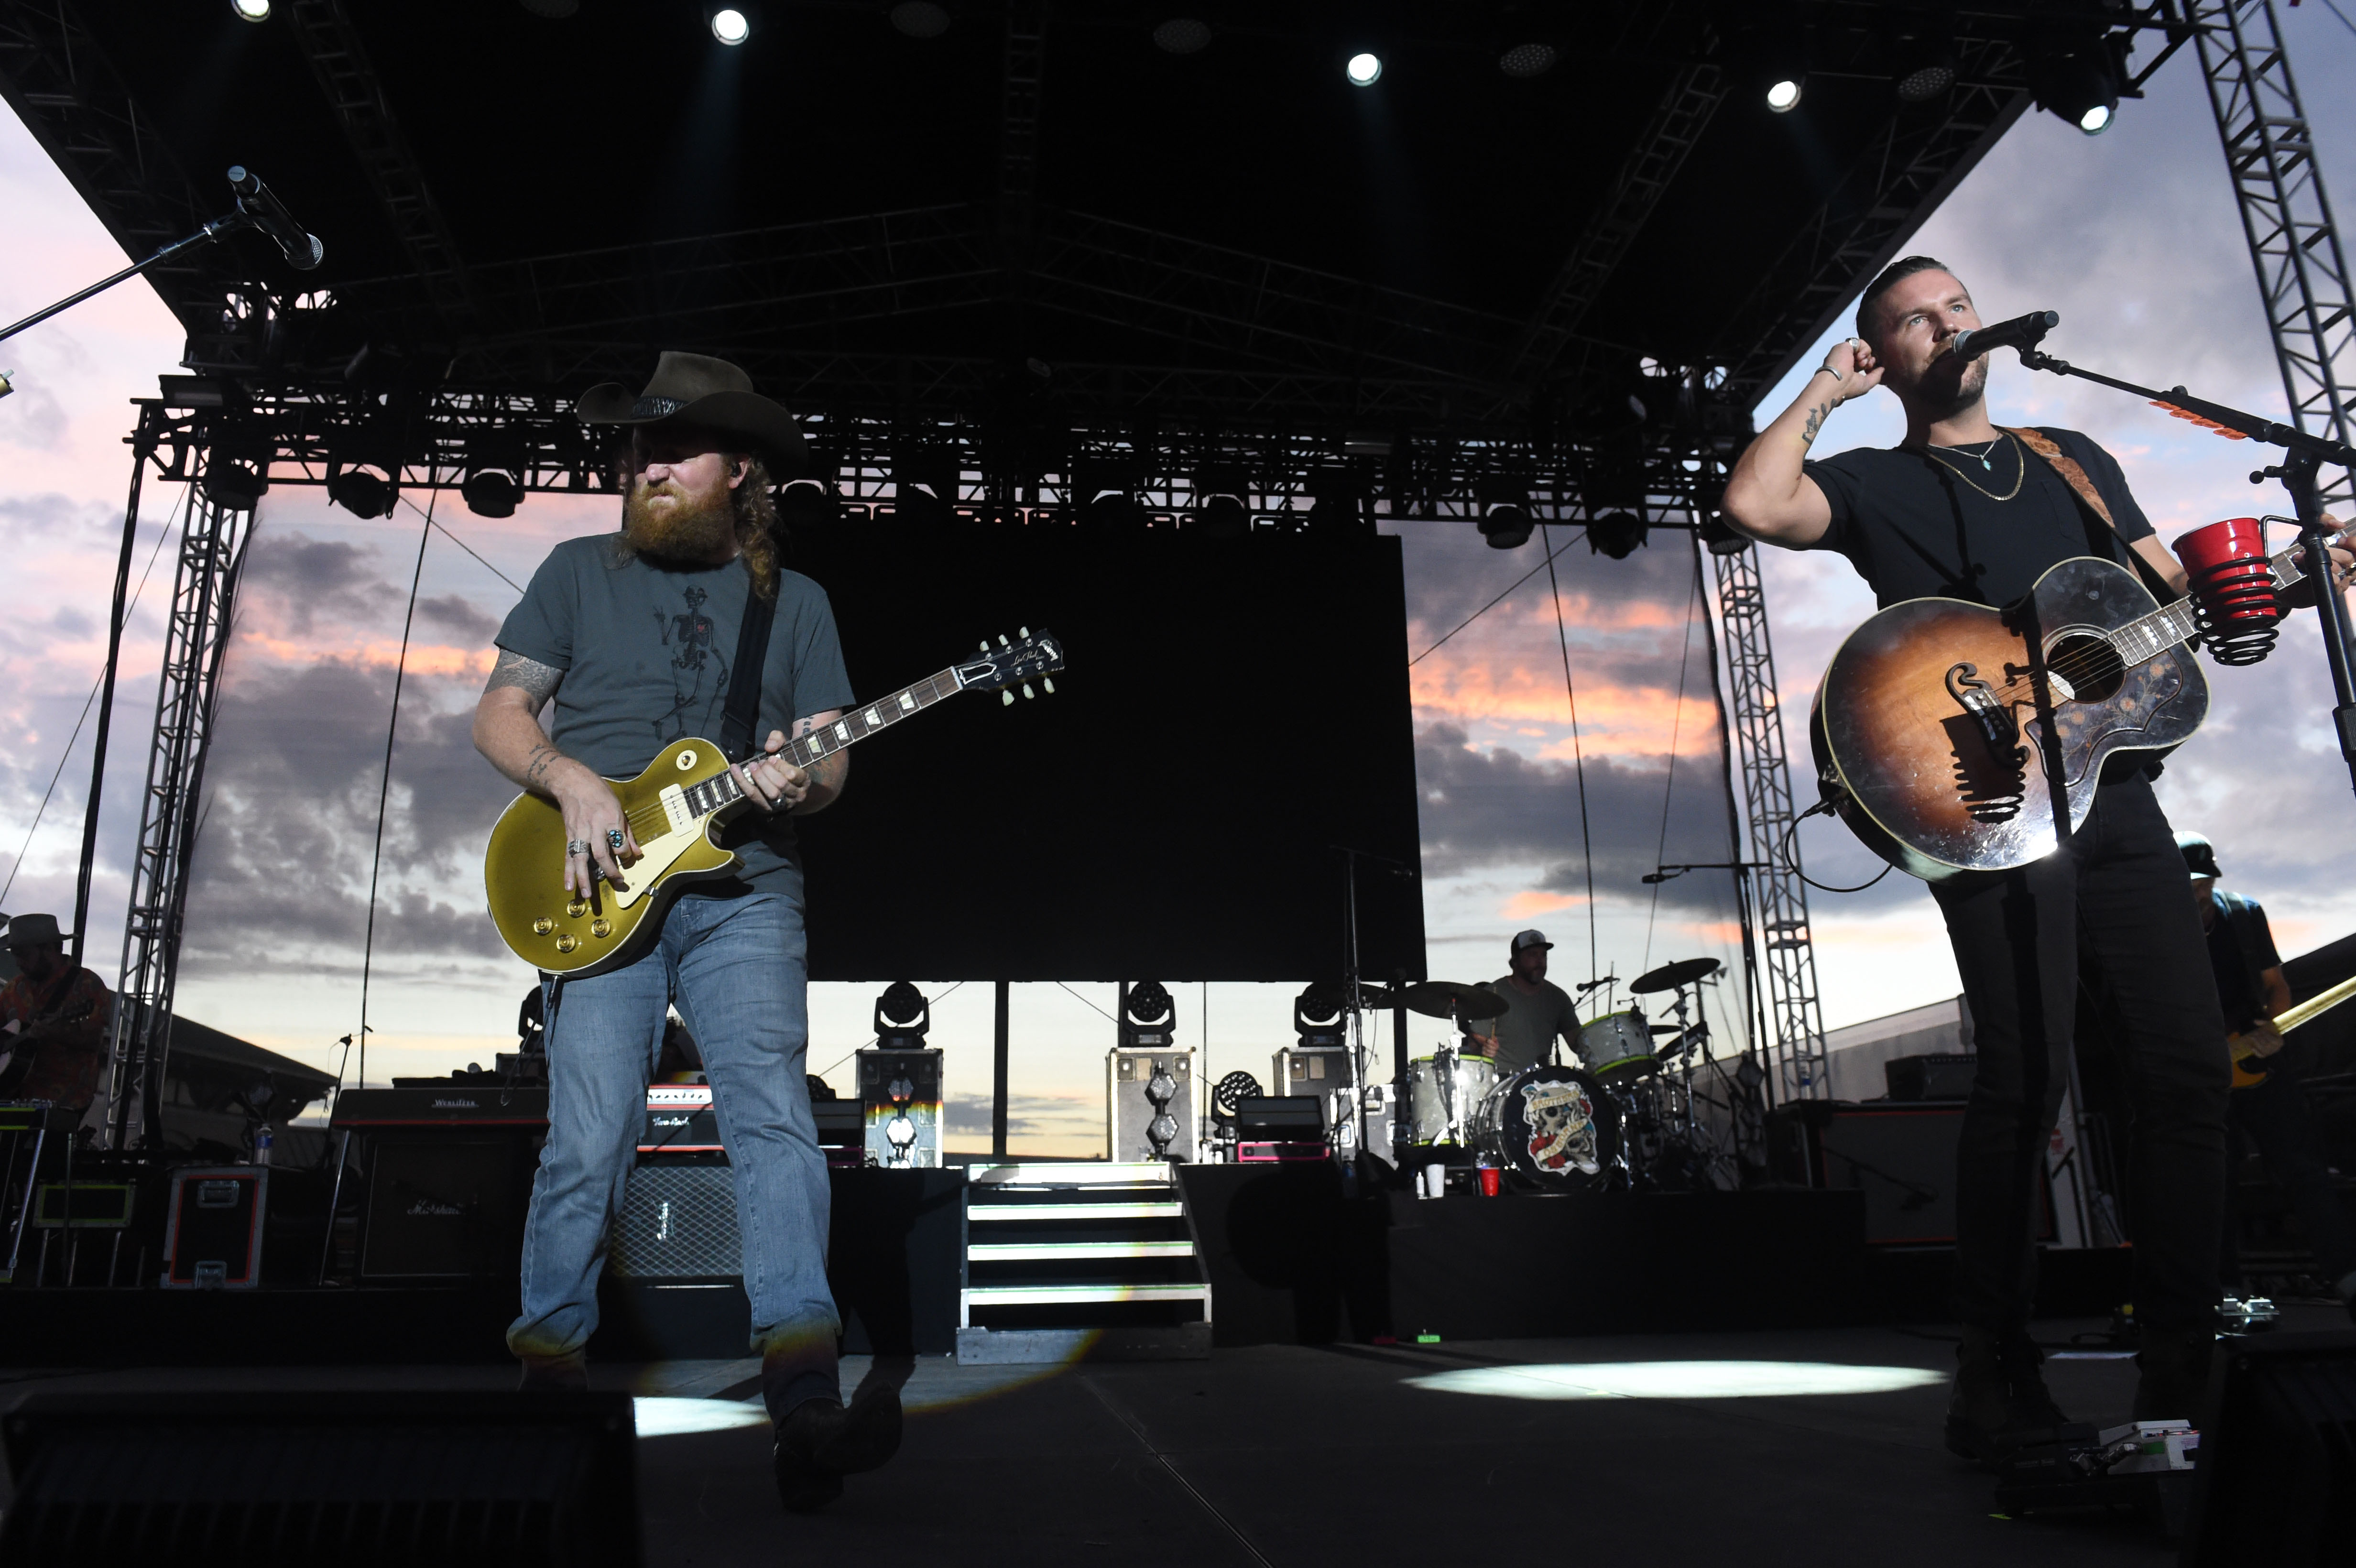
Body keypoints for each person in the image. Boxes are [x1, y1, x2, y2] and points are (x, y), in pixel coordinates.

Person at [1723, 255, 2356, 1458]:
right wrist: (1819, 395)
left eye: (1956, 306)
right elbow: (1757, 506)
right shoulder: (1876, 481)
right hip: (1989, 801)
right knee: (2029, 1083)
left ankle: (2183, 1363)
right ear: (1890, 358)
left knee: (2184, 1076)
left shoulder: (2072, 456)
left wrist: (2289, 571)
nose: (1946, 324)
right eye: (1914, 322)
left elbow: (2168, 600)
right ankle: (1993, 1366)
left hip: (2115, 803)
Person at [472, 351, 894, 1512]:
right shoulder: (572, 572)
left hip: (746, 890)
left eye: (677, 448)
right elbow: (501, 709)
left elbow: (832, 757)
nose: (649, 465)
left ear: (738, 468)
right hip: (599, 896)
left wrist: (796, 783)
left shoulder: (793, 601)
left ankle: (803, 1383)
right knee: (586, 1143)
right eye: (639, 448)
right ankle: (549, 1373)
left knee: (769, 1116)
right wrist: (571, 781)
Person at [2180, 831, 2356, 1318]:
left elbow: (2275, 985)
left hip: (2259, 1062)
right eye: (2184, 884)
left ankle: (2347, 1276)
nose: (2194, 894)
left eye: (2200, 883)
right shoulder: (2163, 928)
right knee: (2217, 1181)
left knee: (2303, 1168)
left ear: (2212, 879)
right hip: (2201, 1070)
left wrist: (2273, 1029)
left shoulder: (2242, 912)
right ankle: (2223, 1290)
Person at [0, 913, 112, 1114]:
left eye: (23, 955)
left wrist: (53, 1034)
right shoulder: (14, 989)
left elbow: (94, 1042)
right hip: (12, 1094)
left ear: (49, 949)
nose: (18, 962)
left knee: (50, 1147)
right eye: (15, 955)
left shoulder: (86, 985)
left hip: (65, 1101)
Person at [1476, 929, 1581, 1075]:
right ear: (1516, 960)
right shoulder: (1494, 993)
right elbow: (1475, 1039)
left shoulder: (1558, 997)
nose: (1540, 961)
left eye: (1543, 955)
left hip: (1542, 1082)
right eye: (1533, 955)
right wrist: (1484, 1046)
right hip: (1502, 1082)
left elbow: (1577, 1043)